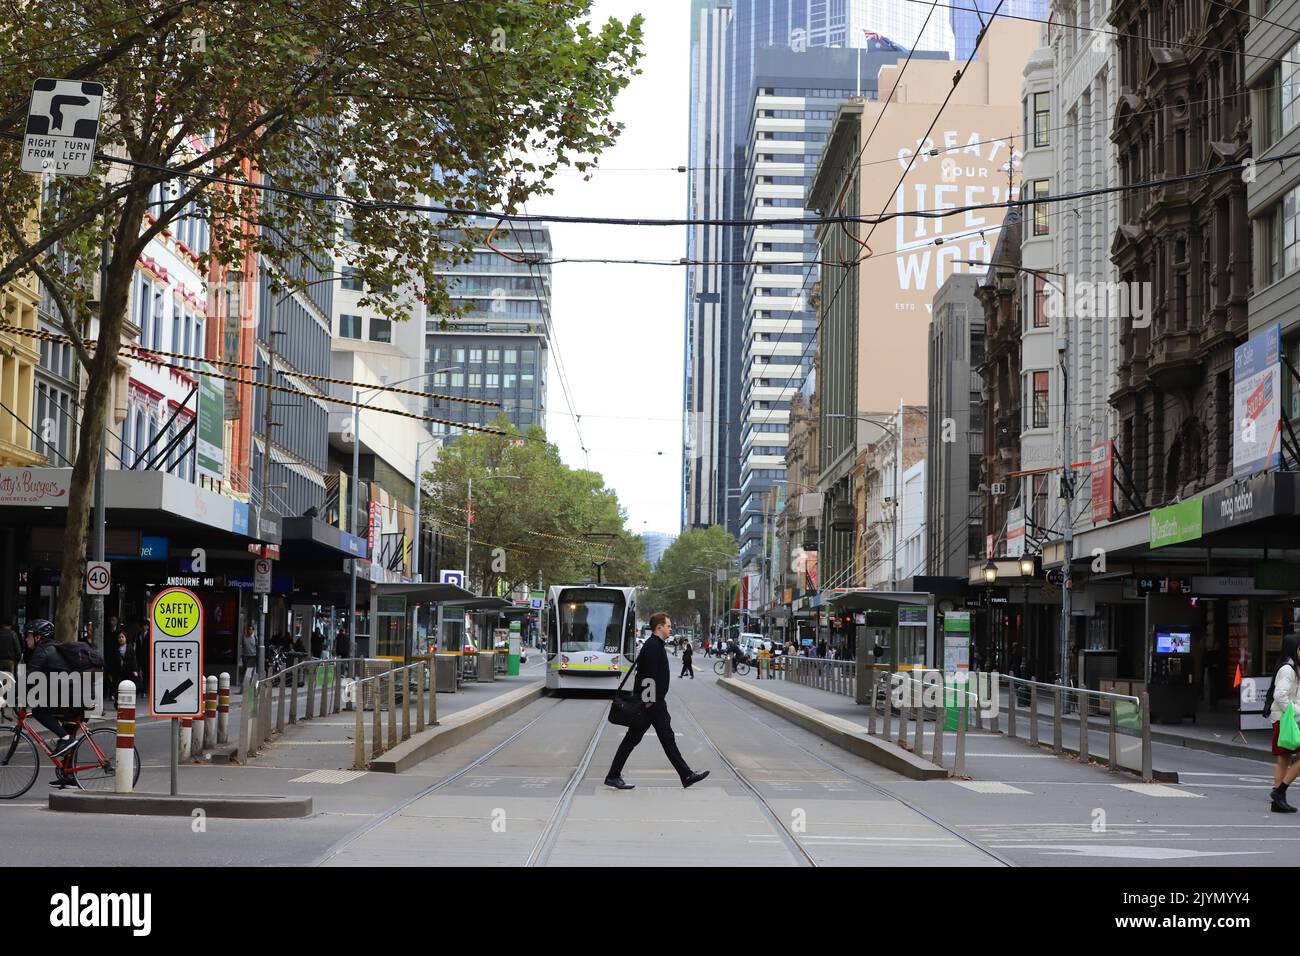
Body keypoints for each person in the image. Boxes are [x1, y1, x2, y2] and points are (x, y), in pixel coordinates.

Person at [604, 612, 709, 791]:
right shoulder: (653, 645)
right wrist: (649, 703)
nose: (670, 629)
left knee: (661, 739)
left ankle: (686, 775)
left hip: (654, 702)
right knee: (644, 739)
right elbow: (648, 676)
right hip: (651, 704)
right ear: (659, 627)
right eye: (668, 626)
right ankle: (614, 775)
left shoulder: (656, 644)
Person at [22, 619, 78, 786]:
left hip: (72, 697)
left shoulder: (43, 651)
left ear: (38, 637)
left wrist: (7, 698)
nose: (26, 639)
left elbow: (30, 678)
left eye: (29, 636)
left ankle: (66, 738)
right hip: (77, 696)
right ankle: (68, 775)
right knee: (66, 727)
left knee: (39, 711)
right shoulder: (54, 647)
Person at [1269, 633, 1300, 813]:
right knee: (1286, 758)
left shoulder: (1292, 668)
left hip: (1283, 718)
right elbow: (1280, 695)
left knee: (1284, 759)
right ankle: (1280, 792)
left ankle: (1277, 801)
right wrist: (1297, 711)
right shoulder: (1288, 670)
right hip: (1285, 719)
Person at [107, 632, 139, 706]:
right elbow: (111, 661)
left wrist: (135, 670)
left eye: (122, 637)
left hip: (127, 672)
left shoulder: (130, 648)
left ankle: (126, 702)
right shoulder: (115, 649)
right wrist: (109, 672)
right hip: (117, 672)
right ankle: (117, 702)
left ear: (125, 638)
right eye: (119, 637)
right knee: (117, 687)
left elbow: (134, 660)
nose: (121, 639)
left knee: (126, 687)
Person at [239, 622, 258, 687]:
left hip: (252, 656)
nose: (249, 631)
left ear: (253, 630)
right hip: (245, 656)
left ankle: (248, 684)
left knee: (249, 670)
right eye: (248, 629)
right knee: (245, 670)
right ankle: (245, 684)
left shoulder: (255, 638)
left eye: (251, 629)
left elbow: (257, 647)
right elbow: (241, 646)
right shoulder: (244, 637)